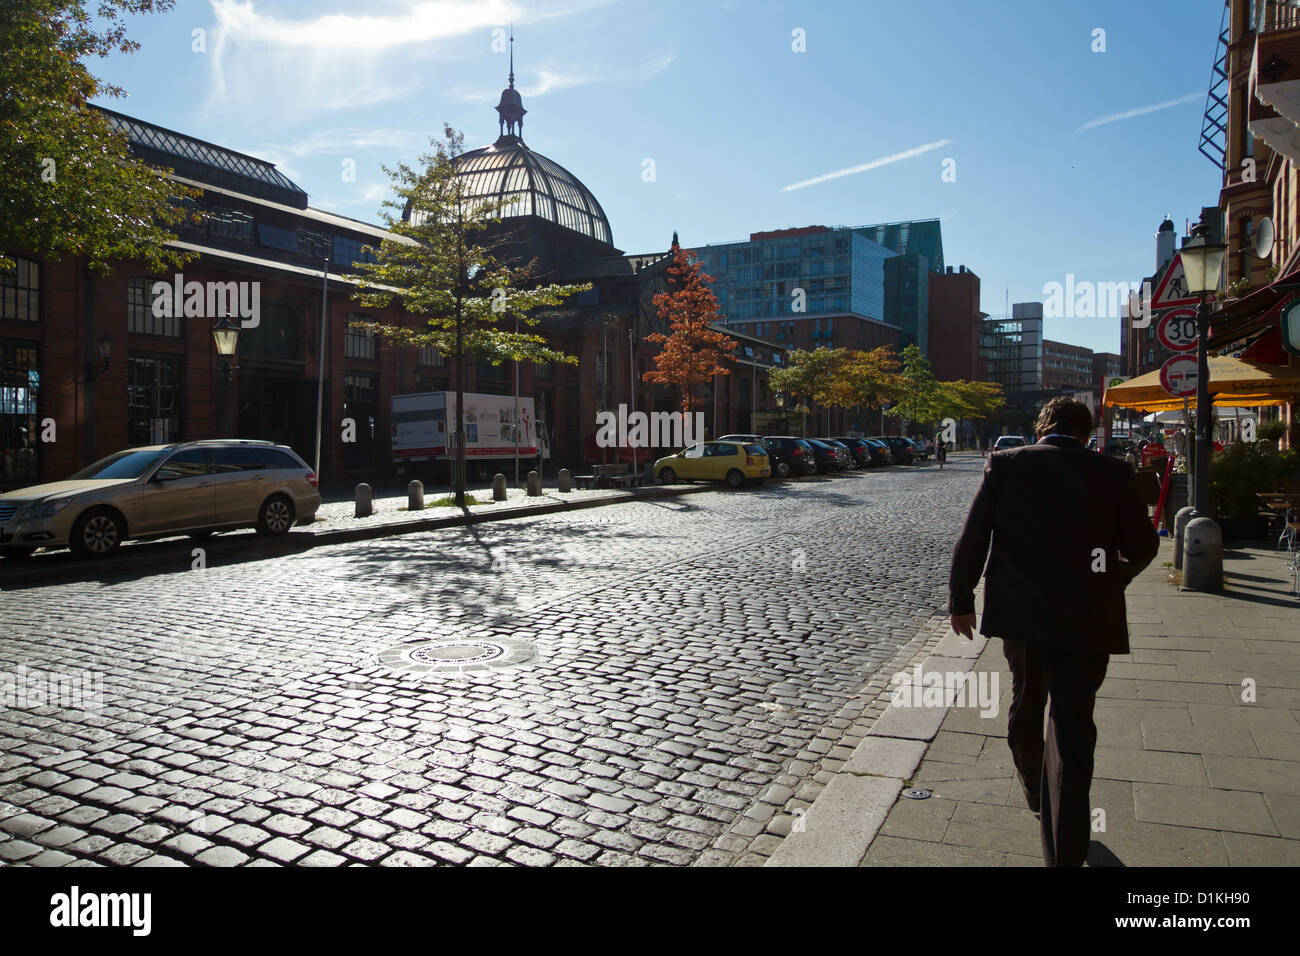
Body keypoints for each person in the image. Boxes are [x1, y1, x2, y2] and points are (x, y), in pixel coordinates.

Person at [948, 396, 1159, 867]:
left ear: (1042, 425)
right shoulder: (1114, 472)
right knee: (1073, 723)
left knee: (1026, 702)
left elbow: (974, 535)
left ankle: (1035, 790)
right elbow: (1144, 546)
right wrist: (1115, 576)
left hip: (1021, 616)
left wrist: (960, 600)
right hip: (1088, 617)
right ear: (1088, 433)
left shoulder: (1004, 464)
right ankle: (1065, 848)